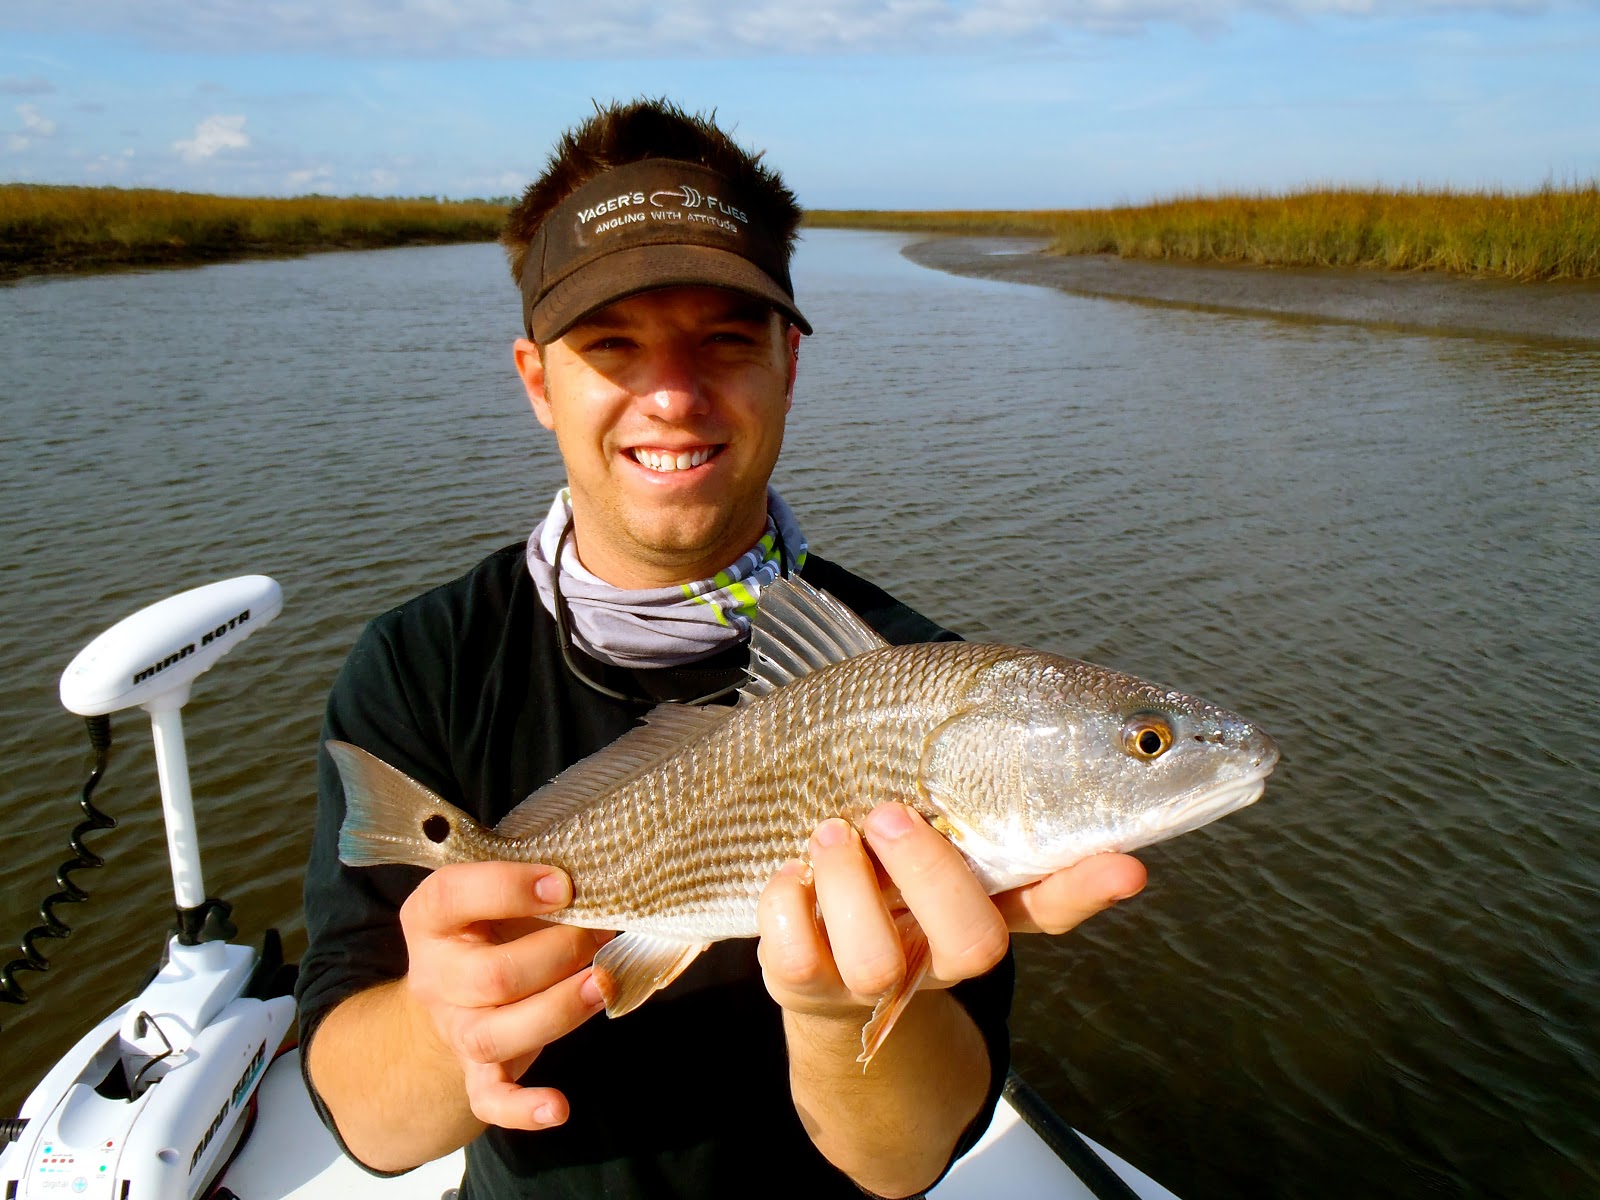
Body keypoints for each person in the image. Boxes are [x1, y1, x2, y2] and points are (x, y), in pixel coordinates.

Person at [295, 97, 1146, 1200]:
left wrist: (840, 1011)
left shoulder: (917, 676)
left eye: (727, 340)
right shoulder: (419, 665)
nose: (673, 397)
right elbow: (368, 1126)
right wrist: (441, 1020)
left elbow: (907, 1163)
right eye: (612, 345)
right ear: (537, 379)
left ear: (789, 362)